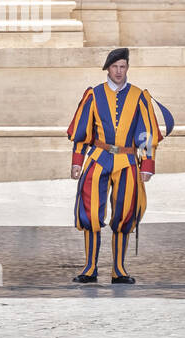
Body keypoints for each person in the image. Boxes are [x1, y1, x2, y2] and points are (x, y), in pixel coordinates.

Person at [66, 47, 174, 284]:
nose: (118, 71)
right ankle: (90, 267)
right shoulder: (94, 95)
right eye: (114, 67)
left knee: (125, 214)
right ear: (108, 69)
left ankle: (119, 270)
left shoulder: (139, 96)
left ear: (127, 68)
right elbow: (82, 131)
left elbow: (146, 131)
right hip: (97, 158)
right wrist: (77, 161)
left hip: (127, 161)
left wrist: (147, 164)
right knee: (90, 212)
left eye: (122, 66)